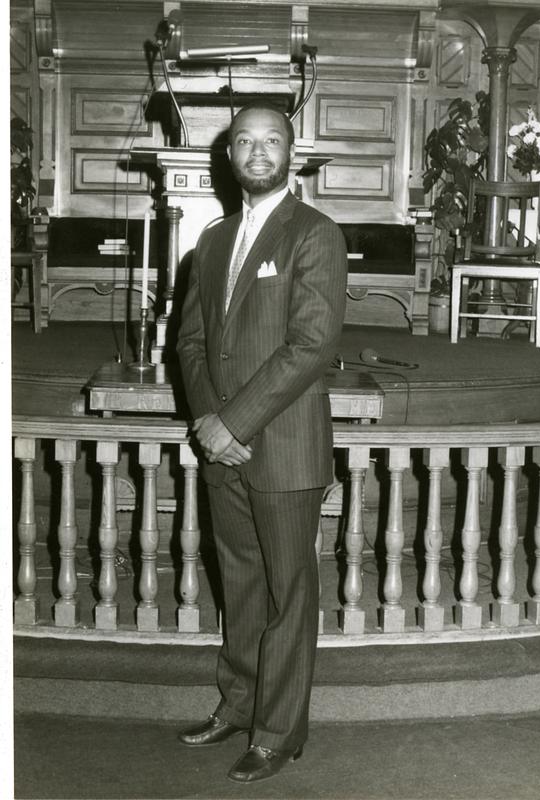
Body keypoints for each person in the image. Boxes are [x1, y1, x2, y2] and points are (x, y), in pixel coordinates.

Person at [175, 100, 347, 784]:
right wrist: (210, 422)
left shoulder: (314, 234)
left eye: (270, 140)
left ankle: (278, 733)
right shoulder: (211, 241)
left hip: (283, 446)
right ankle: (238, 706)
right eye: (243, 141)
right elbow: (189, 342)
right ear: (227, 155)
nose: (256, 151)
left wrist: (233, 423)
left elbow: (310, 346)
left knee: (286, 594)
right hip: (226, 446)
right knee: (241, 587)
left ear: (291, 153)